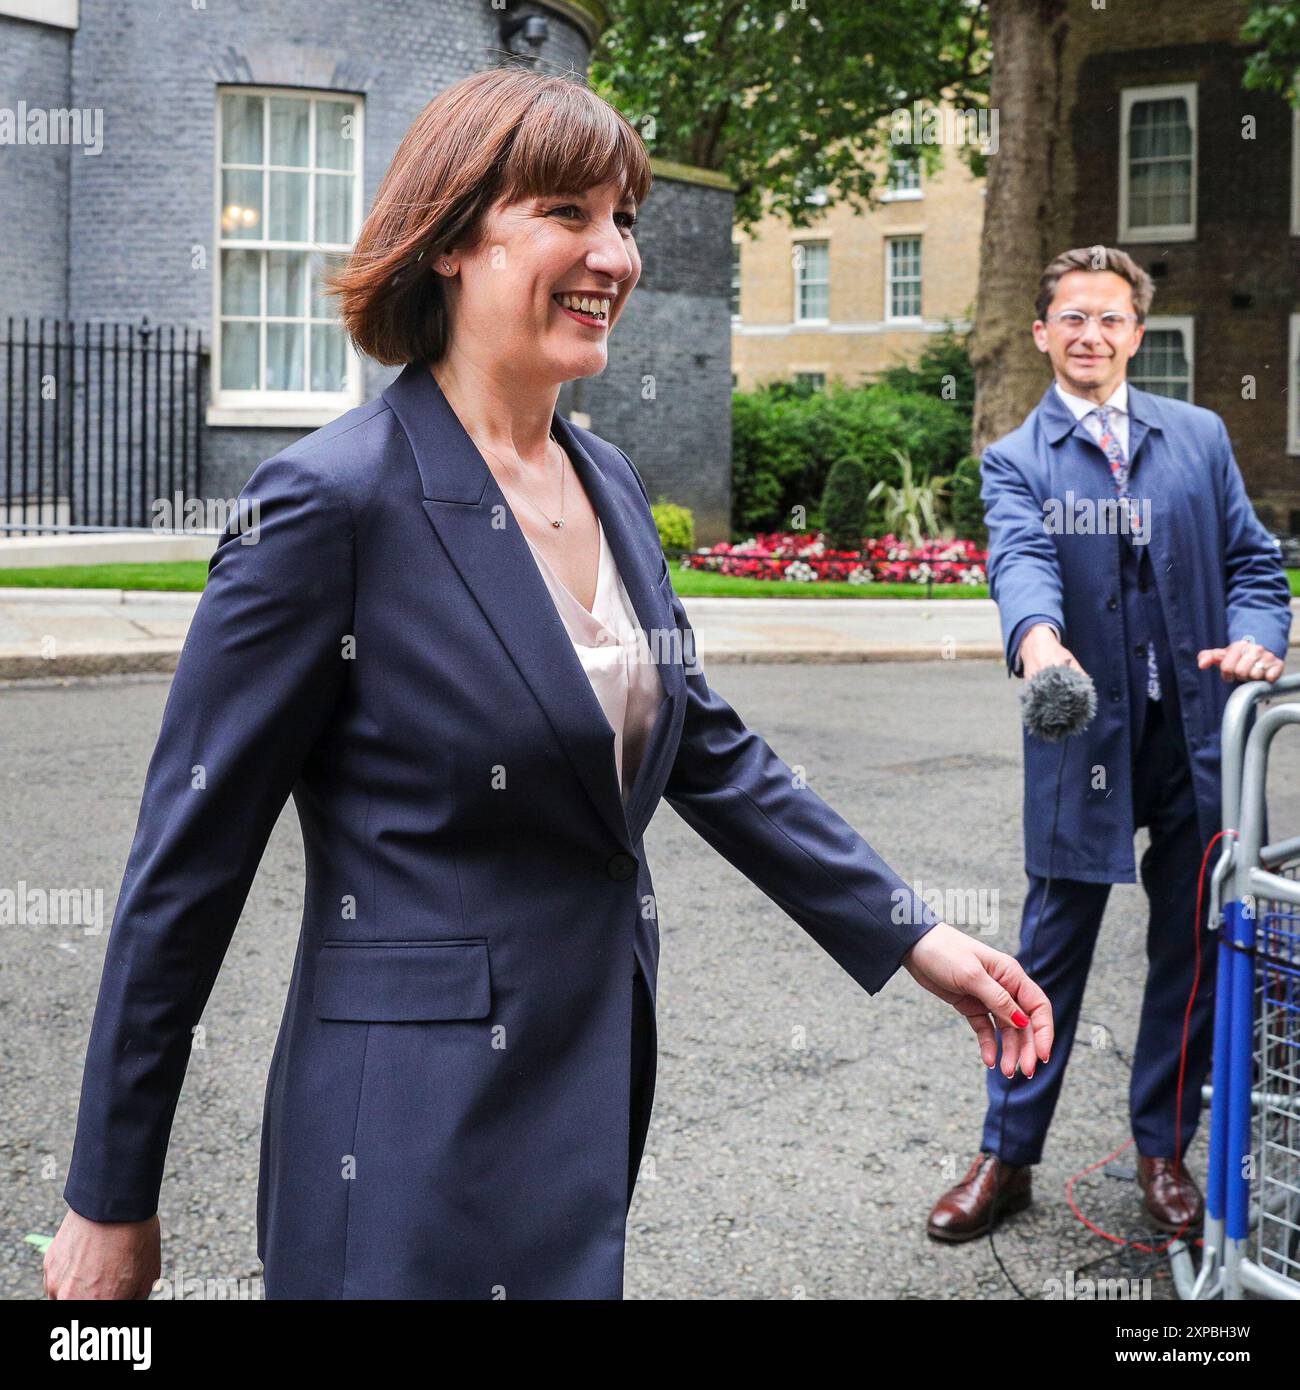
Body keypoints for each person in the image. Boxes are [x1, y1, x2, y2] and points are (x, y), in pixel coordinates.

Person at [45, 68, 1051, 1301]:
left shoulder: (610, 481)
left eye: (623, 217)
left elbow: (704, 745)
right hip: (404, 1137)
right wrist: (109, 1195)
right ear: (455, 236)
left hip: (587, 1089)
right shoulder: (325, 504)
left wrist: (912, 932)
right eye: (567, 213)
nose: (613, 253)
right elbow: (183, 867)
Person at [926, 245, 1292, 1243]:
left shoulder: (1200, 437)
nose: (1090, 334)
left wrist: (1258, 639)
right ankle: (1006, 1156)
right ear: (1042, 333)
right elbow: (1023, 562)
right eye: (1071, 318)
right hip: (1080, 737)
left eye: (1110, 318)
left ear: (1136, 333)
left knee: (1190, 945)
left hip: (1194, 742)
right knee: (1046, 952)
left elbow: (1255, 564)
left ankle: (1162, 1152)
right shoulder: (1016, 459)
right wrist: (1041, 649)